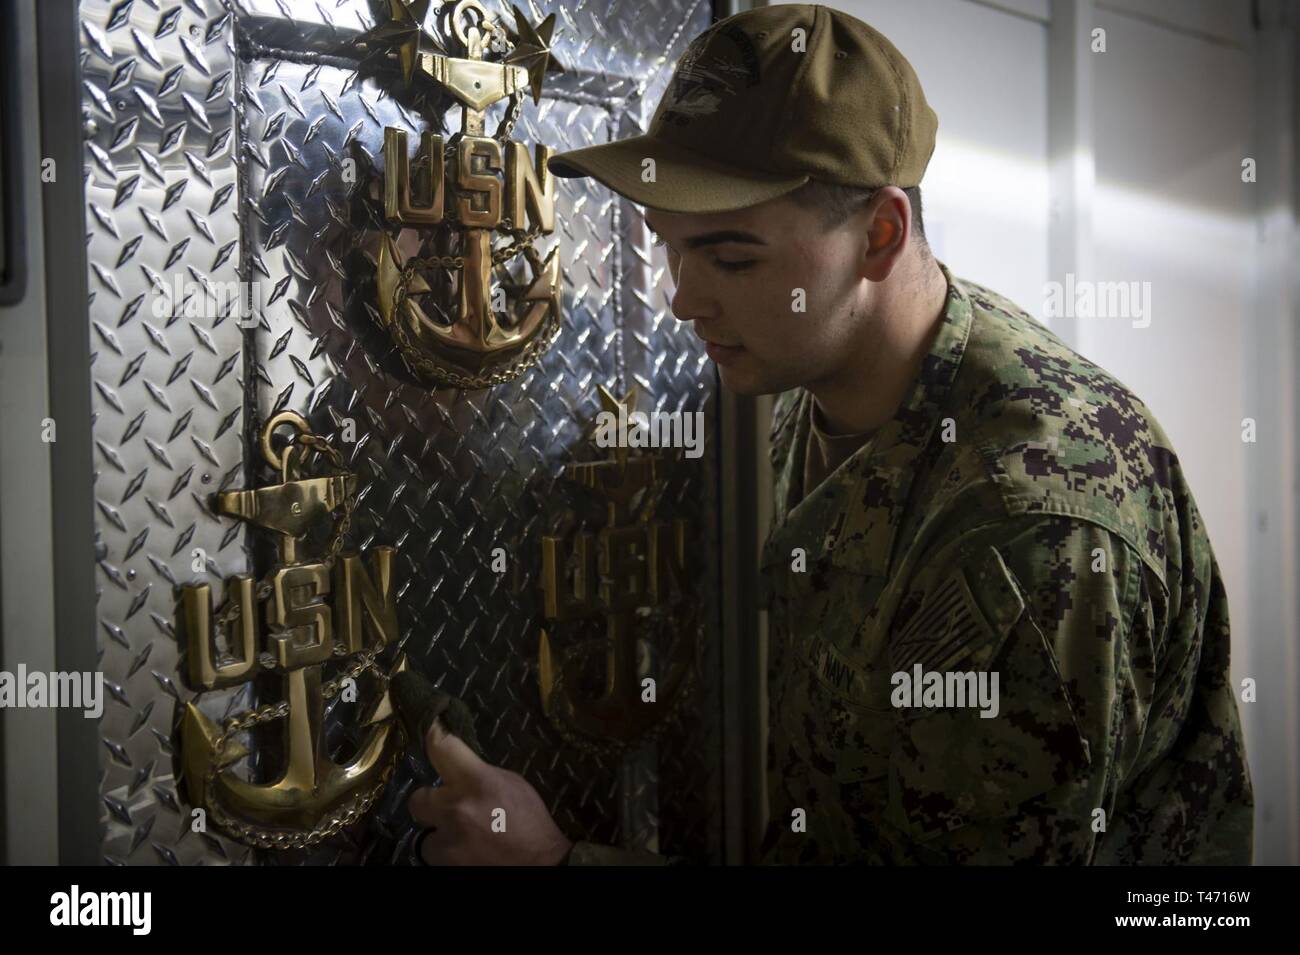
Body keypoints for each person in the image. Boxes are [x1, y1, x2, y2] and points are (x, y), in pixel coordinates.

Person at [391, 3, 1254, 865]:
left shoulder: (1025, 527)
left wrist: (558, 865)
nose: (682, 299)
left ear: (879, 236)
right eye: (670, 247)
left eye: (732, 259)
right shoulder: (813, 372)